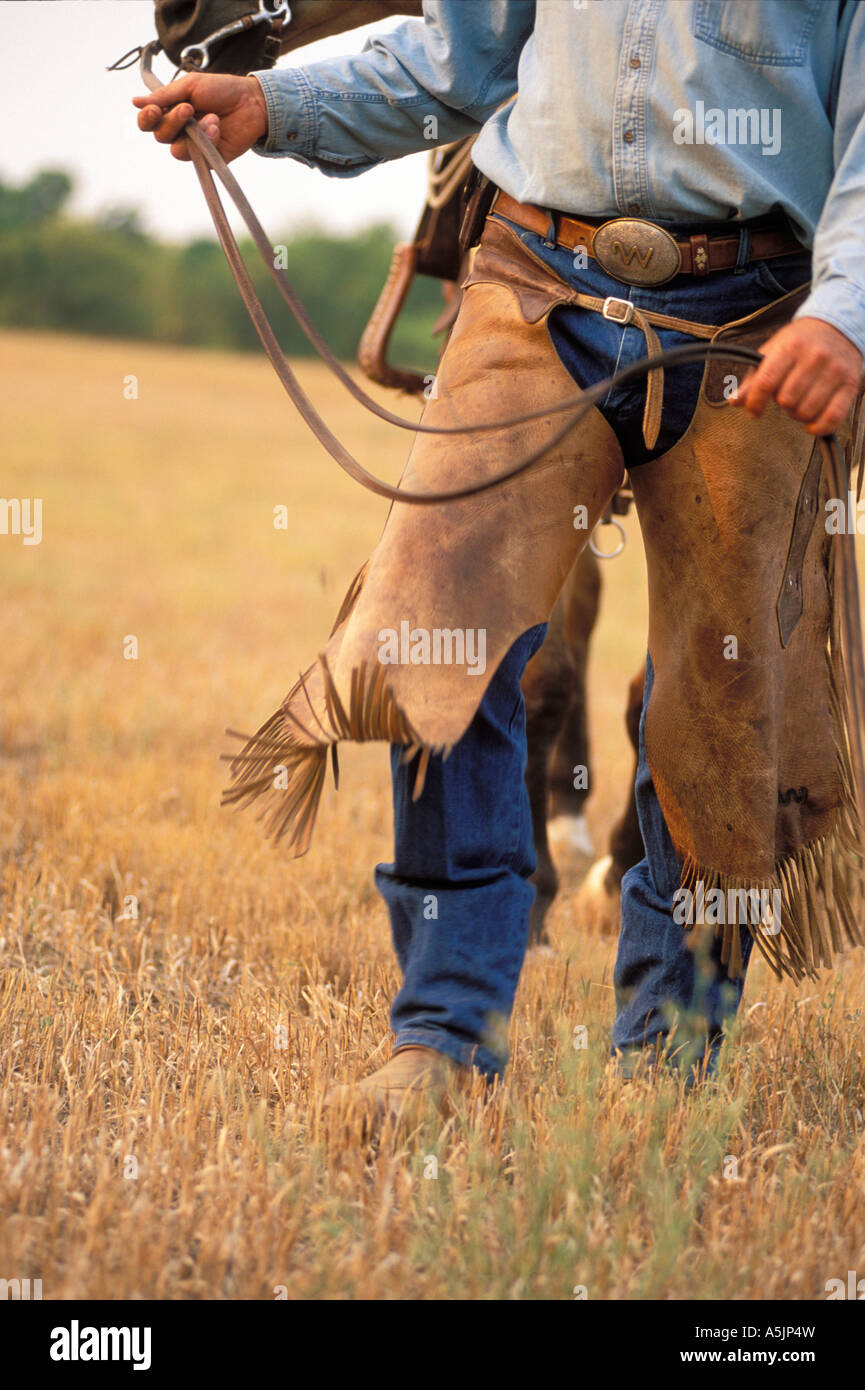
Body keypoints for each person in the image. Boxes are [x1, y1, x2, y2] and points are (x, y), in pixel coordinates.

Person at [135, 0, 865, 1110]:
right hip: (534, 278)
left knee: (727, 689)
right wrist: (272, 104)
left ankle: (669, 1057)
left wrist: (847, 316)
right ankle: (442, 1033)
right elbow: (459, 57)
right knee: (438, 628)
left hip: (761, 310)